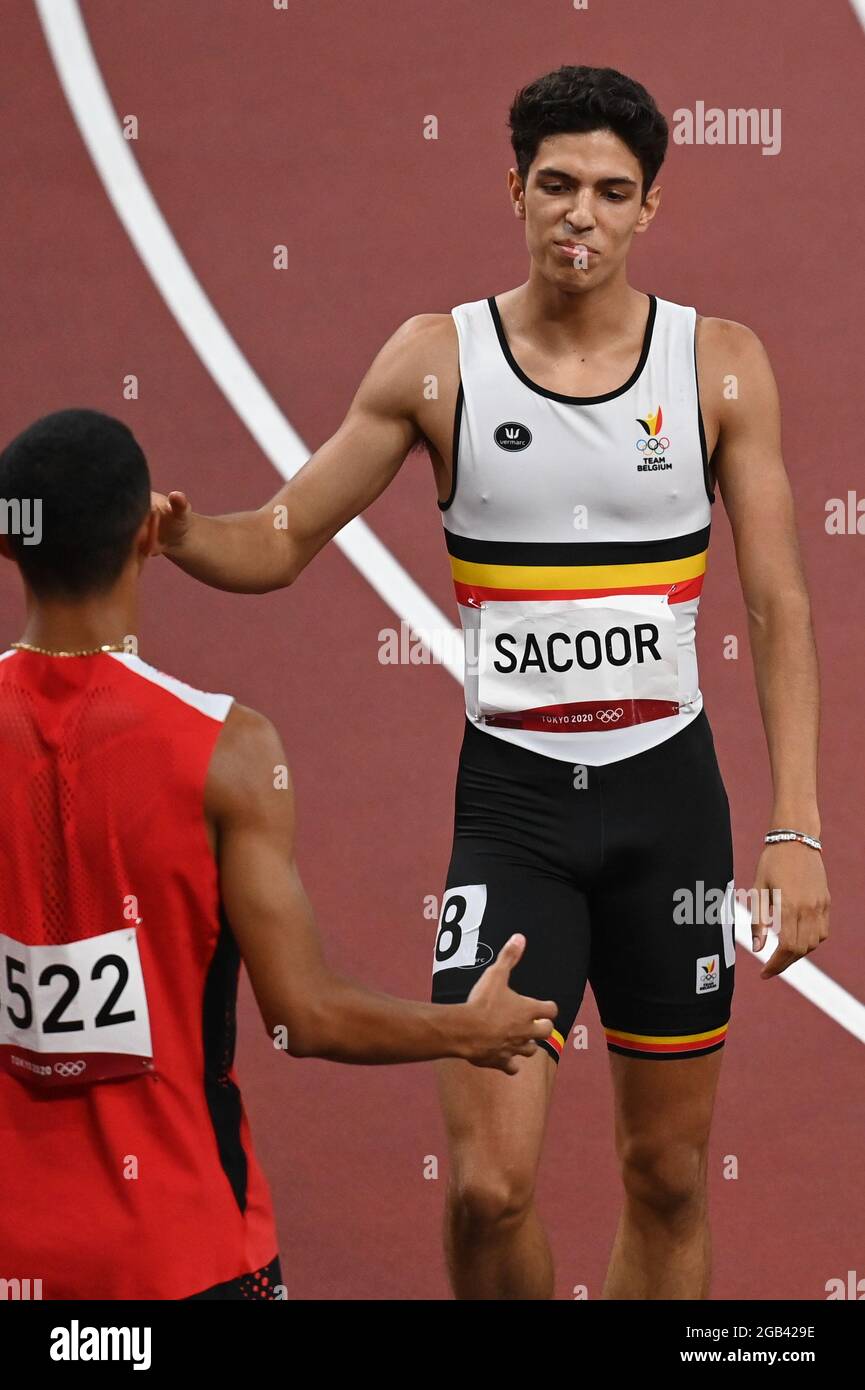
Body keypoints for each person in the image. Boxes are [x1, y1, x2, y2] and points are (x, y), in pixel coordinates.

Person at [151, 65, 830, 1300]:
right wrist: (184, 532)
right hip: (516, 813)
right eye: (557, 184)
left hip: (668, 807)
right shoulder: (435, 361)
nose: (581, 213)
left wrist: (795, 828)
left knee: (669, 1172)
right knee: (484, 1190)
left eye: (611, 192)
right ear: (512, 187)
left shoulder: (717, 367)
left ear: (648, 212)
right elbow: (283, 538)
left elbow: (777, 604)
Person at [0, 408, 556, 1301]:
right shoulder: (229, 751)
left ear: (6, 542)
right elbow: (304, 1016)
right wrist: (466, 1027)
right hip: (186, 1252)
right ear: (151, 532)